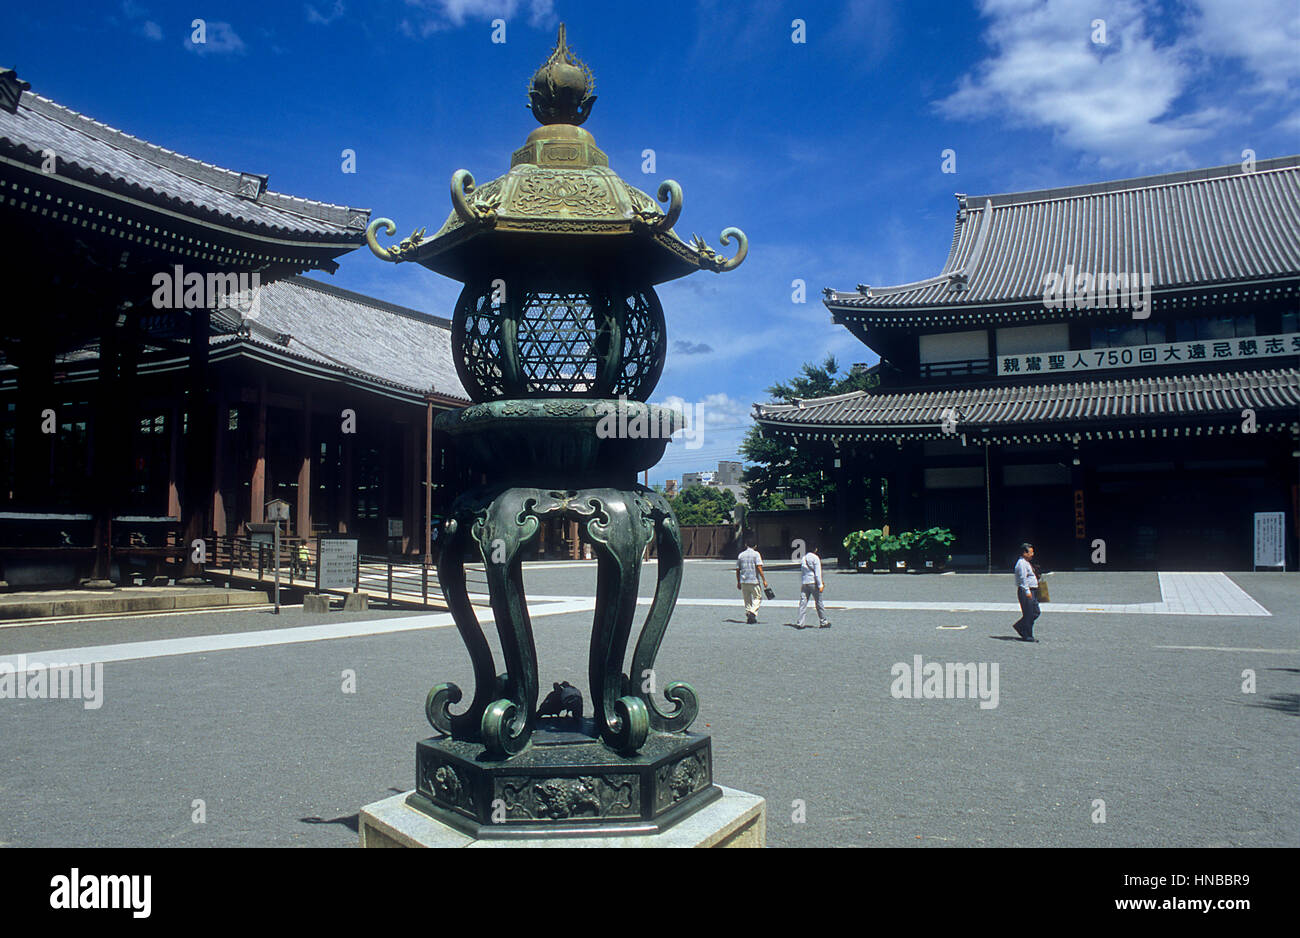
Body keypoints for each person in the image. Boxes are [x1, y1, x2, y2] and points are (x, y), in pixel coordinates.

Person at [795, 543, 831, 629]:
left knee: (803, 603)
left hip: (805, 583)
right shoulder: (815, 558)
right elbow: (818, 573)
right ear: (815, 549)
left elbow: (803, 572)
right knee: (818, 603)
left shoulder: (803, 558)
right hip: (813, 582)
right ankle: (823, 621)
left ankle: (800, 622)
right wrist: (820, 584)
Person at [735, 535, 769, 624]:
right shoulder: (756, 554)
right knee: (758, 597)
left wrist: (738, 581)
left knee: (747, 600)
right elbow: (759, 568)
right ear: (755, 546)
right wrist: (764, 580)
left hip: (744, 580)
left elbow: (738, 569)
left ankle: (748, 614)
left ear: (746, 545)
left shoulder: (741, 555)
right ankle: (752, 612)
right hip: (754, 580)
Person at [1012, 542, 1040, 642]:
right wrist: (1027, 592)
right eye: (1031, 552)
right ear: (1024, 553)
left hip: (1033, 590)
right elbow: (1022, 579)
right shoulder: (1021, 564)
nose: (1032, 554)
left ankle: (1020, 626)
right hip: (1026, 591)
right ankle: (1027, 635)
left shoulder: (1026, 562)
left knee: (1036, 612)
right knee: (1029, 613)